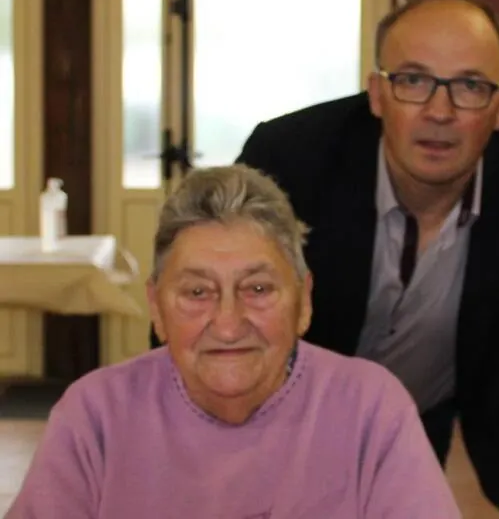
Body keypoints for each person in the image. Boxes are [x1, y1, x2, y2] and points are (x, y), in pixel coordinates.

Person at [144, 0, 499, 518]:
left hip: (436, 425)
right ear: (377, 94)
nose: (439, 111)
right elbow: (192, 295)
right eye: (413, 81)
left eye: (470, 86)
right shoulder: (290, 159)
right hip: (276, 416)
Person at [9, 165, 461, 518]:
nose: (227, 325)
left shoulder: (370, 408)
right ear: (156, 307)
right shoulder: (94, 416)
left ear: (303, 302)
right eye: (197, 292)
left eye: (259, 289)